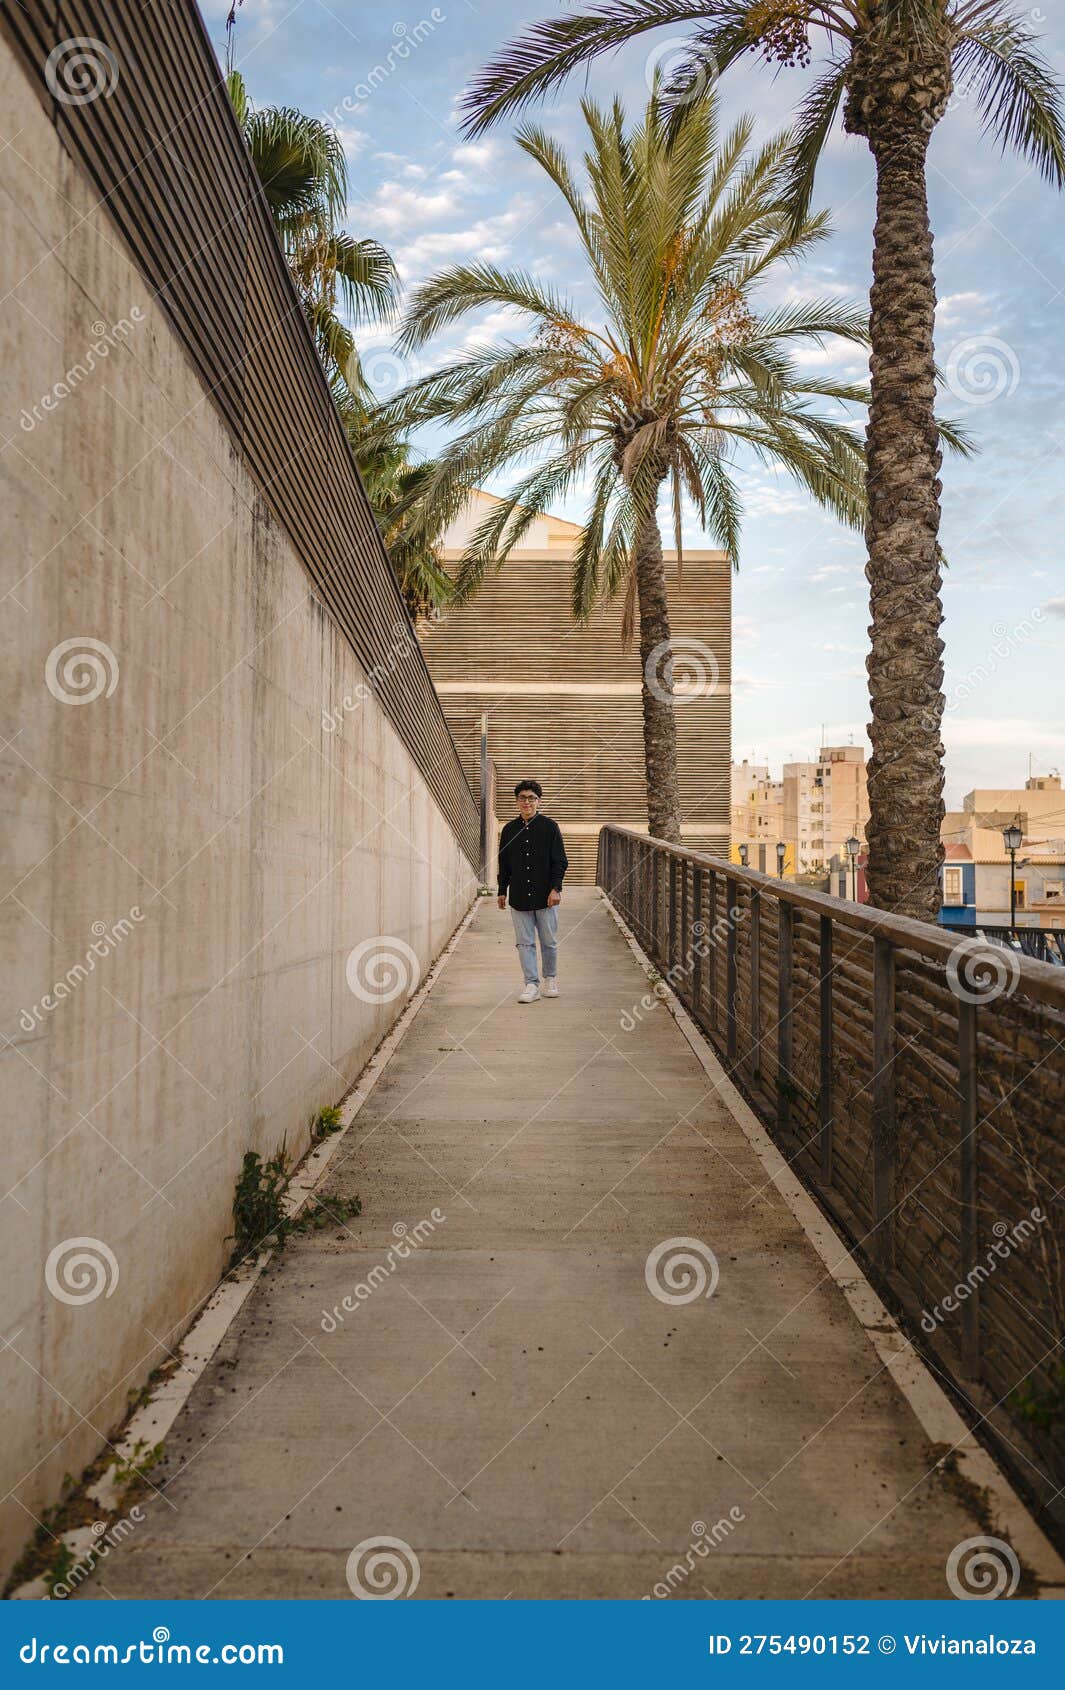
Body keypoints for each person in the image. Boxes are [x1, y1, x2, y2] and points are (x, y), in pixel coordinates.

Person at [497, 780, 569, 1003]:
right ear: (517, 801)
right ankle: (531, 985)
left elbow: (560, 861)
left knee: (548, 941)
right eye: (522, 798)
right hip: (519, 895)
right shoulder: (509, 830)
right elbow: (504, 863)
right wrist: (502, 890)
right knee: (524, 942)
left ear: (538, 801)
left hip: (545, 896)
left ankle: (550, 979)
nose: (526, 802)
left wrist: (556, 888)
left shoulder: (549, 827)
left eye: (531, 798)